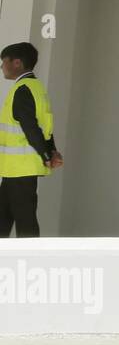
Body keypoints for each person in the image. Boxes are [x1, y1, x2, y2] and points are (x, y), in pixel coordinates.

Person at [0, 42, 62, 237]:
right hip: (14, 170)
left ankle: (32, 262)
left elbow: (31, 128)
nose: (2, 66)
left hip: (21, 169)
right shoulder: (36, 88)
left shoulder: (22, 90)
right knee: (3, 217)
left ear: (17, 63)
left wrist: (46, 155)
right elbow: (46, 127)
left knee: (25, 221)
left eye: (4, 62)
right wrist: (51, 151)